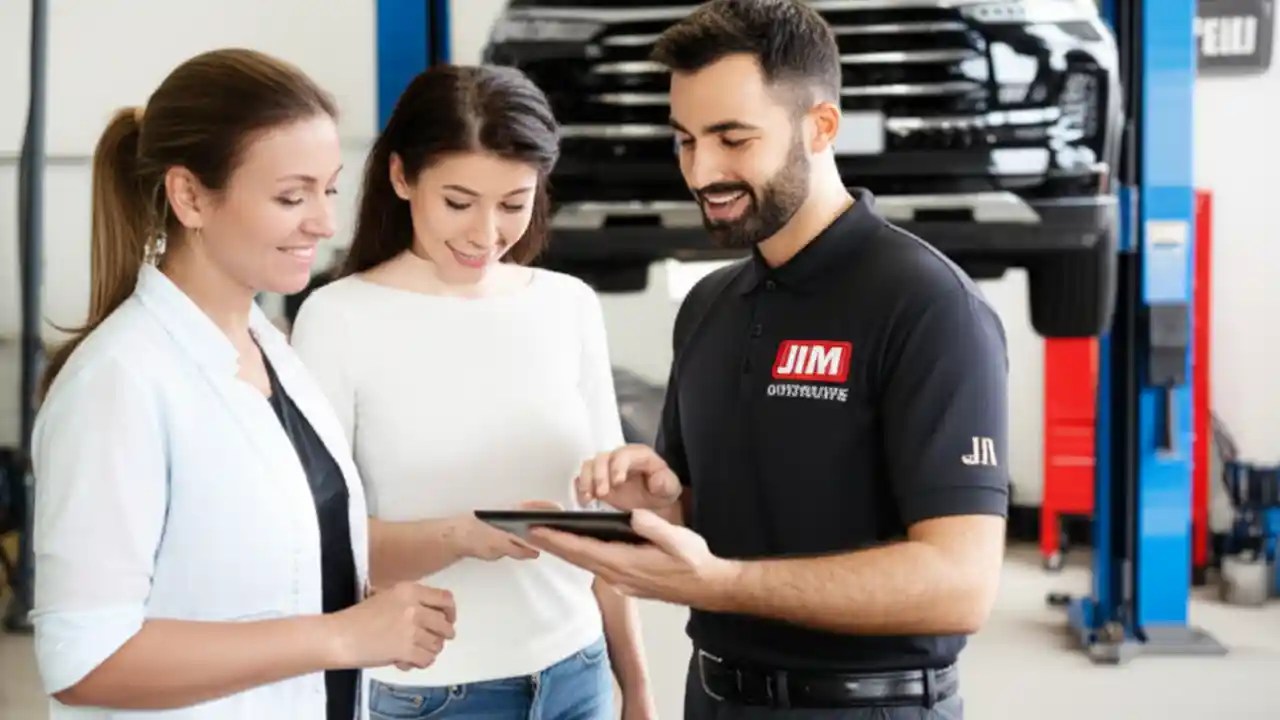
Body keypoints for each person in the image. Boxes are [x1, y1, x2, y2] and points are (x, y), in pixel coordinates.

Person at [527, 1, 1010, 718]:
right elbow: (710, 516)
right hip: (714, 696)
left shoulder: (928, 305)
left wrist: (722, 585)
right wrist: (662, 505)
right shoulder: (710, 306)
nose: (702, 171)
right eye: (685, 140)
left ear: (821, 127)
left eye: (733, 138)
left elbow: (959, 585)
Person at [29, 48, 456, 720]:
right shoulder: (118, 382)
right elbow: (84, 661)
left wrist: (365, 609)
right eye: (291, 196)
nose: (324, 222)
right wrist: (340, 637)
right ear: (190, 197)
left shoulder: (273, 351)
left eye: (328, 189)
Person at [289, 64, 658, 720]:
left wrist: (637, 687)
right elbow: (318, 546)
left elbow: (602, 525)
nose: (486, 235)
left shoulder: (567, 304)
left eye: (513, 204)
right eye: (459, 203)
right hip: (433, 694)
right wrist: (459, 535)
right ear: (402, 177)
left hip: (578, 676)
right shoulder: (339, 319)